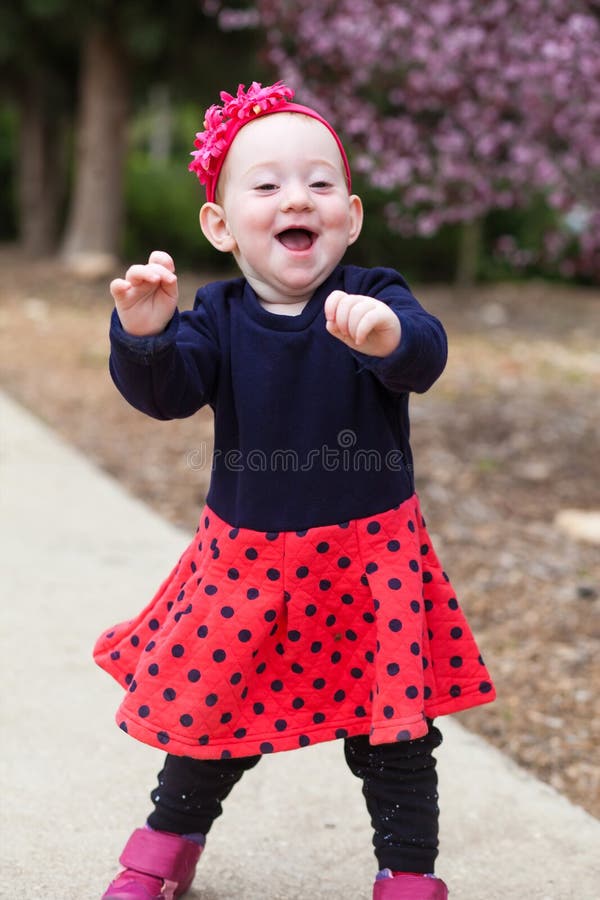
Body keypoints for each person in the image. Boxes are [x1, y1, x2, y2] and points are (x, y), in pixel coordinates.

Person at [94, 81, 495, 900]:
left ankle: (408, 874)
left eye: (317, 184)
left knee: (396, 737)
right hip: (243, 563)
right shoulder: (218, 314)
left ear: (348, 216)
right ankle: (164, 852)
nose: (295, 199)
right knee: (210, 724)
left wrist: (387, 339)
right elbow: (169, 392)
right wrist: (145, 334)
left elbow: (423, 353)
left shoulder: (374, 296)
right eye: (267, 185)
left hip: (369, 561)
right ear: (222, 224)